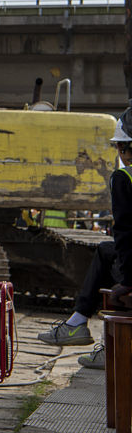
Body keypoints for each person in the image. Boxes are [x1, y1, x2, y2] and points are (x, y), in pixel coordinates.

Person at [38, 107, 132, 368]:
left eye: (120, 148)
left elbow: (125, 230)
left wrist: (127, 280)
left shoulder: (124, 177)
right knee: (105, 250)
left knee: (111, 262)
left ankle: (86, 329)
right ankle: (79, 323)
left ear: (125, 148)